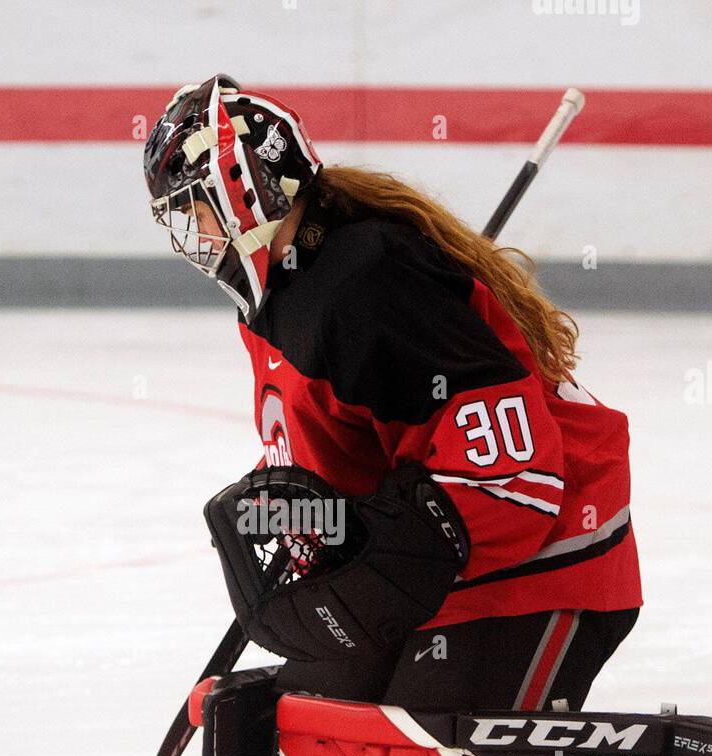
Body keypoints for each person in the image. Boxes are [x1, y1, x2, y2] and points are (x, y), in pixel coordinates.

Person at [144, 74, 640, 713]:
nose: (194, 228)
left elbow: (518, 482)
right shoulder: (273, 297)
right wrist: (315, 520)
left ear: (247, 190)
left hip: (547, 553)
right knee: (298, 731)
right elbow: (341, 451)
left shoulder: (367, 284)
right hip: (442, 564)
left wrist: (378, 536)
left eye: (197, 204)